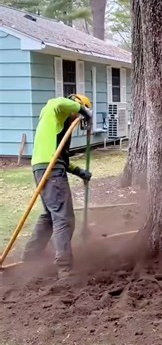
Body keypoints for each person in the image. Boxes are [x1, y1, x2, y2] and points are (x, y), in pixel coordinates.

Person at [22, 94, 92, 279]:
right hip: (51, 171)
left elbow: (59, 158)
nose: (75, 121)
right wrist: (83, 111)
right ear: (75, 107)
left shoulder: (56, 127)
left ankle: (30, 255)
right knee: (64, 218)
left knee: (49, 216)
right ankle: (64, 268)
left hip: (42, 168)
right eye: (76, 116)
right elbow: (59, 102)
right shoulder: (55, 109)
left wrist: (79, 171)